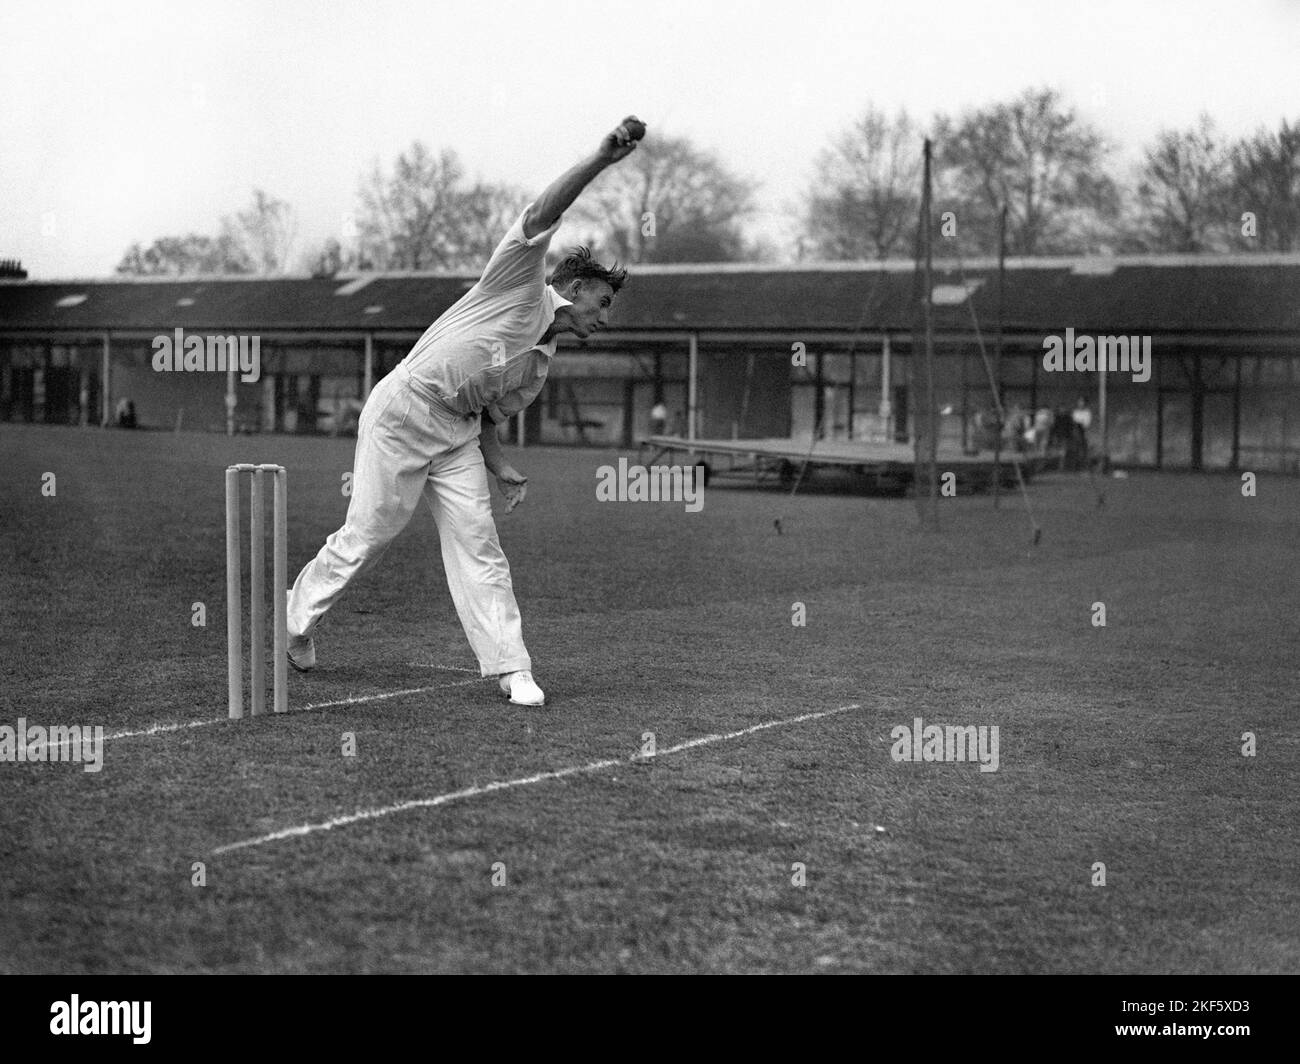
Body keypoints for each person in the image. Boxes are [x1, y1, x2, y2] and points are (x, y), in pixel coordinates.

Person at [285, 117, 642, 707]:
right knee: (369, 535)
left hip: (454, 436)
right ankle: (296, 622)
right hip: (403, 410)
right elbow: (543, 213)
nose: (604, 318)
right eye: (601, 304)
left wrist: (500, 467)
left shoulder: (540, 363)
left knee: (479, 544)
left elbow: (487, 419)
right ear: (573, 288)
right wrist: (601, 160)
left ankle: (511, 667)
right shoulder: (518, 284)